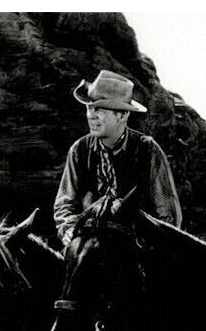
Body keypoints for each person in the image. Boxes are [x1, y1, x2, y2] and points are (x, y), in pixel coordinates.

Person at [54, 69, 182, 246]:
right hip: (90, 246)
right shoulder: (79, 150)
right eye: (89, 107)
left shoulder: (148, 150)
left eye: (99, 109)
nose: (91, 115)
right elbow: (65, 204)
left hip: (137, 248)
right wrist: (69, 230)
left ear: (122, 115)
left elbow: (168, 216)